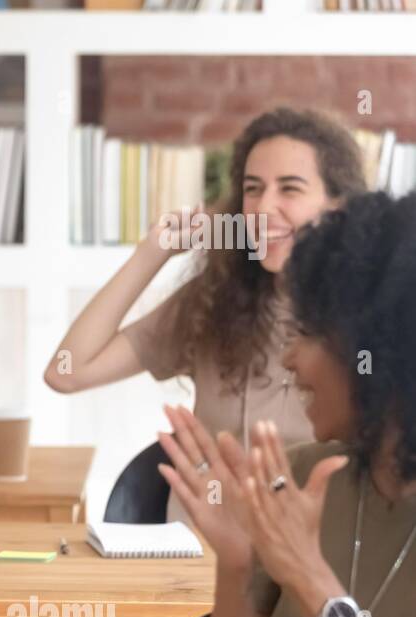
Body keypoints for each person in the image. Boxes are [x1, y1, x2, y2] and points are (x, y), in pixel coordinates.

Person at [159, 191, 416, 617]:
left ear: (381, 350)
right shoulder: (301, 480)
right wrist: (234, 565)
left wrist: (308, 577)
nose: (290, 359)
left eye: (308, 334)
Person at [45, 108, 367, 525]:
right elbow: (67, 372)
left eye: (290, 189)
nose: (264, 207)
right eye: (253, 189)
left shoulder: (372, 319)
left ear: (338, 205)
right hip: (201, 557)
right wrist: (152, 252)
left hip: (309, 563)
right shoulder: (216, 300)